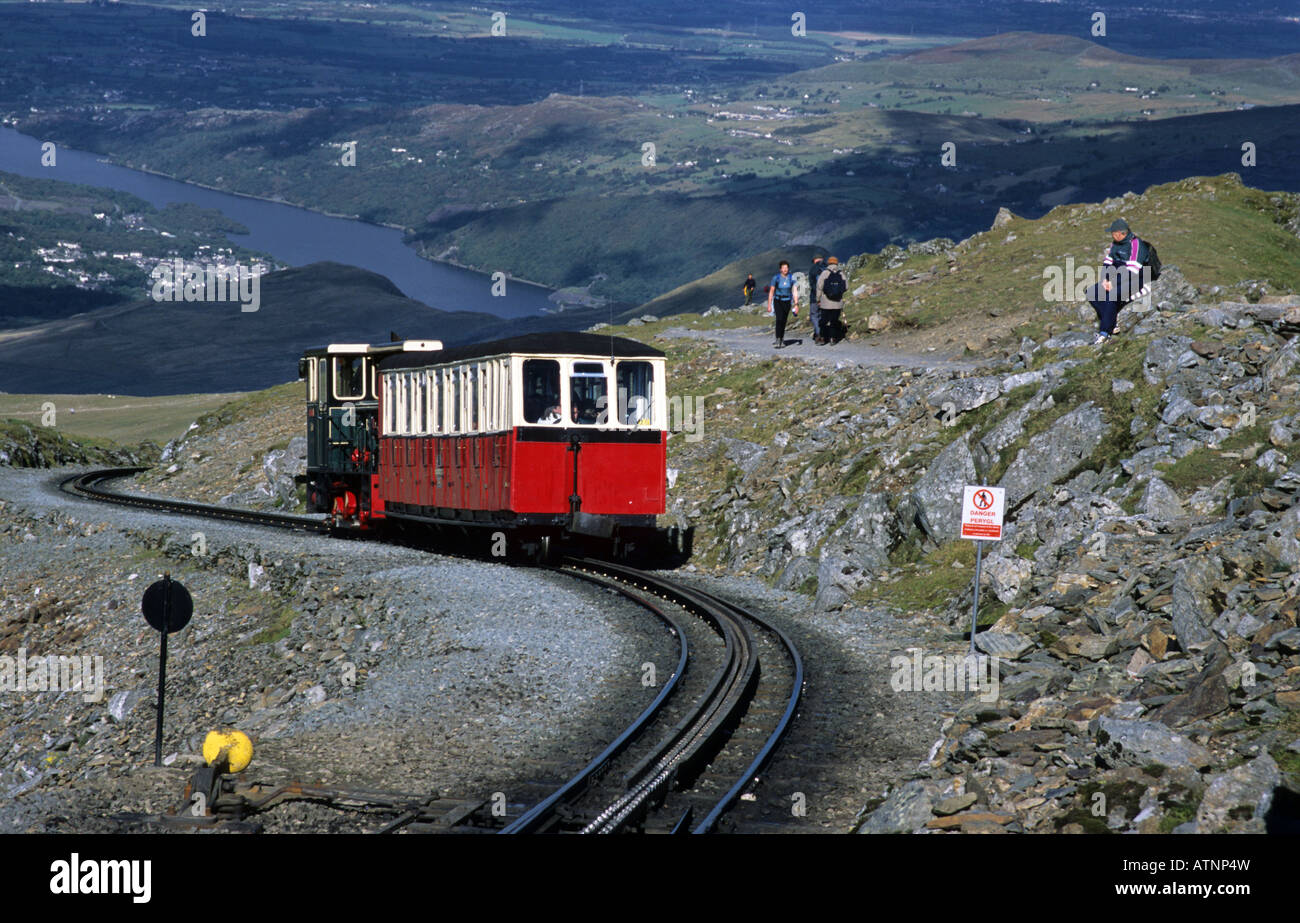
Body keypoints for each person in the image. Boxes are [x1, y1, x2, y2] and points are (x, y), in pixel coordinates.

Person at [1085, 218, 1152, 346]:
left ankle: (1105, 333)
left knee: (1112, 295)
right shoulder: (1115, 244)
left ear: (1120, 233)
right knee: (1091, 292)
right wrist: (1105, 279)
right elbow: (1107, 263)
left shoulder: (1137, 245)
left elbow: (1133, 271)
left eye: (1113, 233)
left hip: (1137, 279)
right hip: (1116, 278)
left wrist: (1113, 283)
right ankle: (1112, 322)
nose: (1112, 235)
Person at [816, 256, 848, 344]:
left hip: (826, 302)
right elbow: (846, 287)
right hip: (837, 302)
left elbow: (819, 287)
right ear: (836, 263)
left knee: (824, 320)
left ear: (828, 263)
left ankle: (822, 337)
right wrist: (838, 292)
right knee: (834, 320)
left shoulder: (825, 273)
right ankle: (833, 338)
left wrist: (818, 299)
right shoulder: (841, 273)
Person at [767, 260, 798, 348]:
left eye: (786, 267)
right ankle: (778, 339)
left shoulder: (792, 278)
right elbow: (771, 291)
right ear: (780, 269)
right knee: (779, 319)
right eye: (783, 268)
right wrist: (769, 304)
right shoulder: (776, 278)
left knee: (784, 320)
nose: (785, 269)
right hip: (778, 301)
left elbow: (795, 291)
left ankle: (782, 338)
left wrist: (796, 304)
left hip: (787, 301)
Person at [807, 255, 825, 343]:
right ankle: (822, 333)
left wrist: (817, 295)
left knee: (814, 315)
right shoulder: (827, 268)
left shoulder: (813, 269)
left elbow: (812, 284)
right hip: (827, 297)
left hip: (815, 297)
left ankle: (819, 333)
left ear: (814, 260)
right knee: (822, 315)